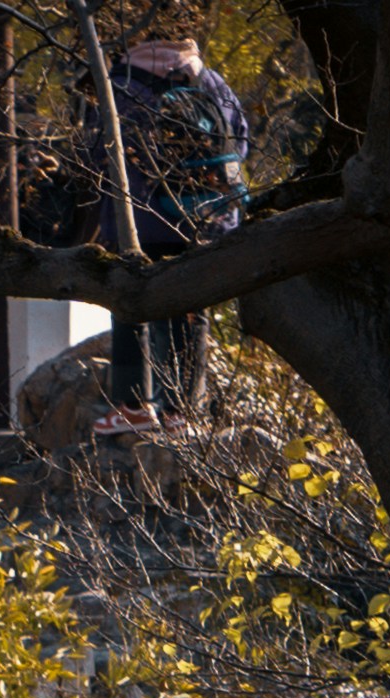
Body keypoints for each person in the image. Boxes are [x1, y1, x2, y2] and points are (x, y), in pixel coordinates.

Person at [83, 1, 249, 423]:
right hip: (205, 219)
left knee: (130, 301)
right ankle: (184, 409)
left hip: (140, 219)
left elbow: (93, 152)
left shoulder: (119, 83)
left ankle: (134, 406)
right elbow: (241, 143)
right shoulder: (213, 82)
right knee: (191, 310)